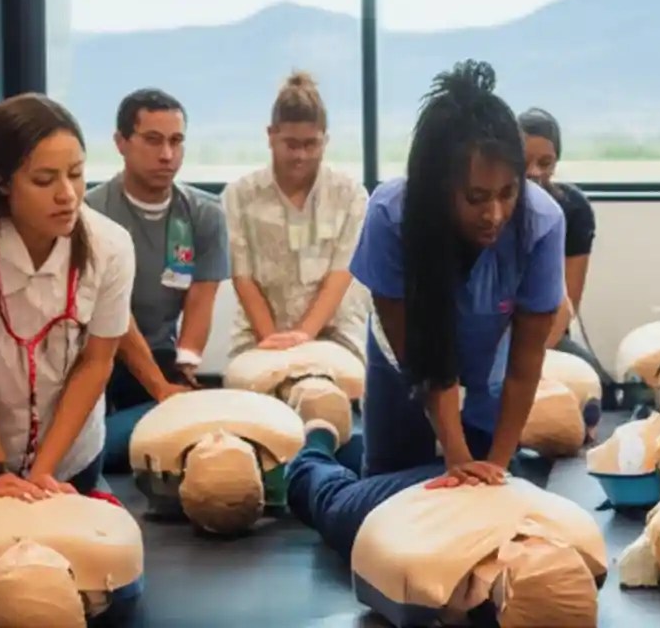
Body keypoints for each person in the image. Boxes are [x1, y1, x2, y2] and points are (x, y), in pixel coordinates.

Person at [285, 60, 565, 557]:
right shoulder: (392, 215)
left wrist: (495, 469)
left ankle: (352, 448)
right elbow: (421, 360)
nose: (495, 214)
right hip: (407, 369)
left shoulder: (541, 223)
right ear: (442, 188)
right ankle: (313, 463)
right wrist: (456, 458)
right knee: (382, 527)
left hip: (488, 373)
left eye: (507, 193)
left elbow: (526, 367)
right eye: (476, 197)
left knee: (490, 514)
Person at [0, 94, 136, 512]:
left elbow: (96, 363)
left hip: (68, 461)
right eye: (44, 180)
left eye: (76, 174)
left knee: (105, 577)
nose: (67, 194)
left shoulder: (111, 246)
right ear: (0, 181)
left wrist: (41, 477)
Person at [85, 89, 229, 473]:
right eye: (152, 140)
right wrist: (162, 392)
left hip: (161, 355)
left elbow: (201, 300)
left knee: (203, 423)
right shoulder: (91, 214)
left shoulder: (205, 214)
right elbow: (115, 318)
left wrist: (184, 370)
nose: (167, 155)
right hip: (96, 356)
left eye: (176, 141)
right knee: (103, 450)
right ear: (121, 143)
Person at [221, 71, 370, 361]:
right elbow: (243, 278)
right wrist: (274, 342)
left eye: (310, 144)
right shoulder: (238, 195)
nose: (300, 155)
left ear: (325, 140)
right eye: (291, 144)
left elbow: (342, 274)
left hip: (334, 336)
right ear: (271, 136)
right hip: (258, 338)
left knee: (319, 396)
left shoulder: (350, 195)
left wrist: (303, 336)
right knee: (257, 391)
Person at [517, 107, 611, 378]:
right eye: (524, 163)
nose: (534, 173)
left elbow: (567, 303)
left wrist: (532, 360)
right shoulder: (493, 206)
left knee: (592, 381)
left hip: (546, 331)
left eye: (545, 163)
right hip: (494, 328)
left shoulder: (573, 209)